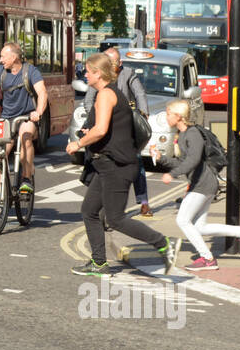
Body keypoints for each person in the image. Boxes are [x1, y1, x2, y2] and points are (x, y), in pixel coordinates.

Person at [65, 53, 174, 278]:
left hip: (118, 166)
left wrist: (78, 143)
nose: (85, 74)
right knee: (89, 211)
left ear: (98, 73)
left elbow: (102, 129)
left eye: (88, 71)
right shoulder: (109, 93)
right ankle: (99, 263)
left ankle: (161, 243)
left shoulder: (106, 94)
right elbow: (108, 128)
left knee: (115, 218)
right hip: (107, 164)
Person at [151, 99, 240, 272]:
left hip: (203, 183)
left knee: (182, 220)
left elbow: (193, 160)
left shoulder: (192, 134)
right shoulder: (183, 134)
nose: (166, 117)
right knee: (200, 227)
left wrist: (172, 174)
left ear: (178, 116)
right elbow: (183, 161)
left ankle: (208, 259)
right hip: (201, 184)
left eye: (168, 113)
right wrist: (161, 158)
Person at [0, 42, 47, 197]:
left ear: (14, 57)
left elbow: (42, 93)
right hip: (6, 117)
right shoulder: (0, 71)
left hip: (26, 116)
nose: (0, 59)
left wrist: (38, 112)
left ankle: (26, 178)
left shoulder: (30, 71)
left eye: (3, 56)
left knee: (26, 137)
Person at [83, 46, 152, 216]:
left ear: (119, 63)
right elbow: (88, 100)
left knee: (136, 161)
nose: (109, 64)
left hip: (123, 125)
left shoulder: (128, 74)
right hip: (102, 122)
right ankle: (96, 198)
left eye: (112, 61)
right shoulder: (99, 77)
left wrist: (143, 114)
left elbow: (140, 94)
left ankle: (143, 201)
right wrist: (93, 118)